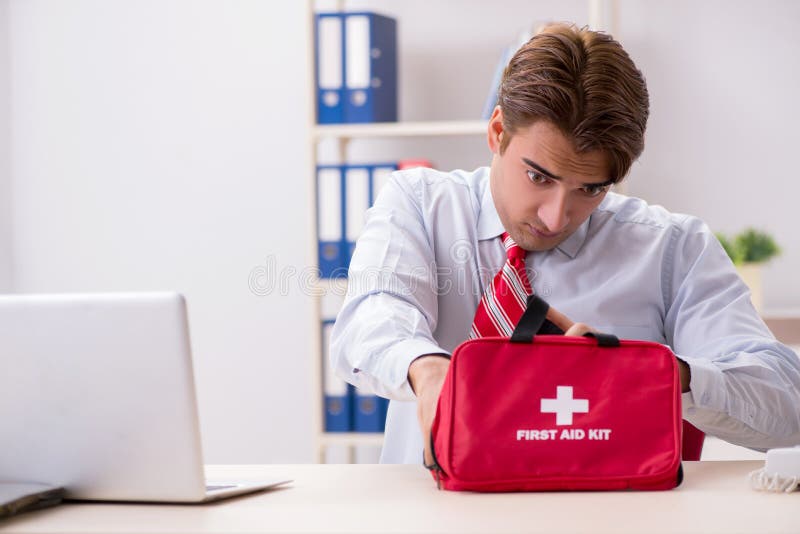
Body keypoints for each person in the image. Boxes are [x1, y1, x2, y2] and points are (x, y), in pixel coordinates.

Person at [330, 22, 800, 465]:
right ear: (497, 132)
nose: (556, 216)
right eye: (539, 176)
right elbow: (371, 316)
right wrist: (427, 368)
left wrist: (653, 373)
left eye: (590, 189)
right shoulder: (418, 203)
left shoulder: (673, 249)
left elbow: (788, 409)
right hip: (432, 512)